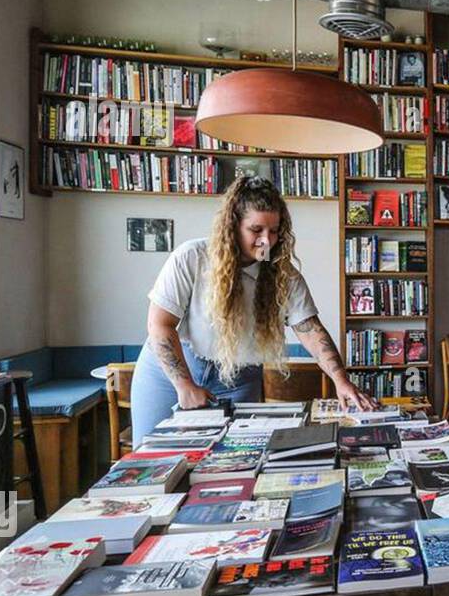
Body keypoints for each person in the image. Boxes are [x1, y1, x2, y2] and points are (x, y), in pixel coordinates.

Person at [131, 176, 377, 445]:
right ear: (233, 225)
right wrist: (184, 385)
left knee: (233, 461)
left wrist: (340, 380)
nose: (266, 241)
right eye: (256, 230)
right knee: (153, 459)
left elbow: (310, 329)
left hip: (238, 378)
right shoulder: (191, 257)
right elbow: (160, 325)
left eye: (274, 231)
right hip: (169, 374)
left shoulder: (284, 273)